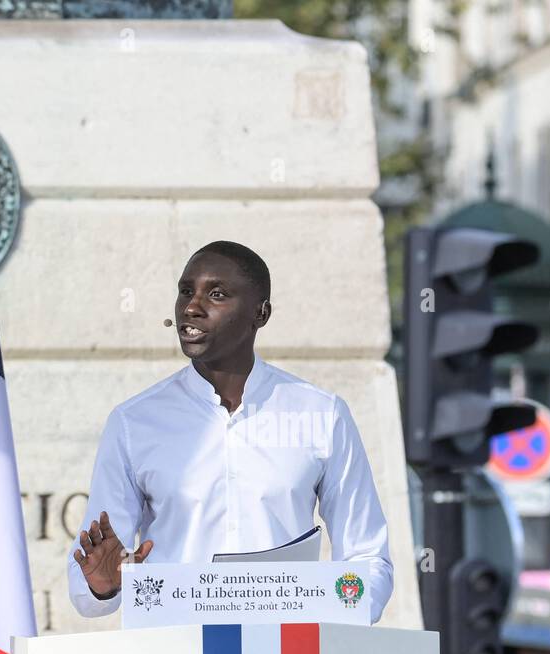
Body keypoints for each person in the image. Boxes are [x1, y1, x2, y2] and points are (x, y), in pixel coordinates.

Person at [67, 240, 394, 623]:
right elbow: (91, 581)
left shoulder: (321, 414)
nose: (191, 307)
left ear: (261, 313)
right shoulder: (134, 422)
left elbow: (368, 559)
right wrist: (104, 585)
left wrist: (330, 617)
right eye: (186, 292)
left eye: (216, 294)